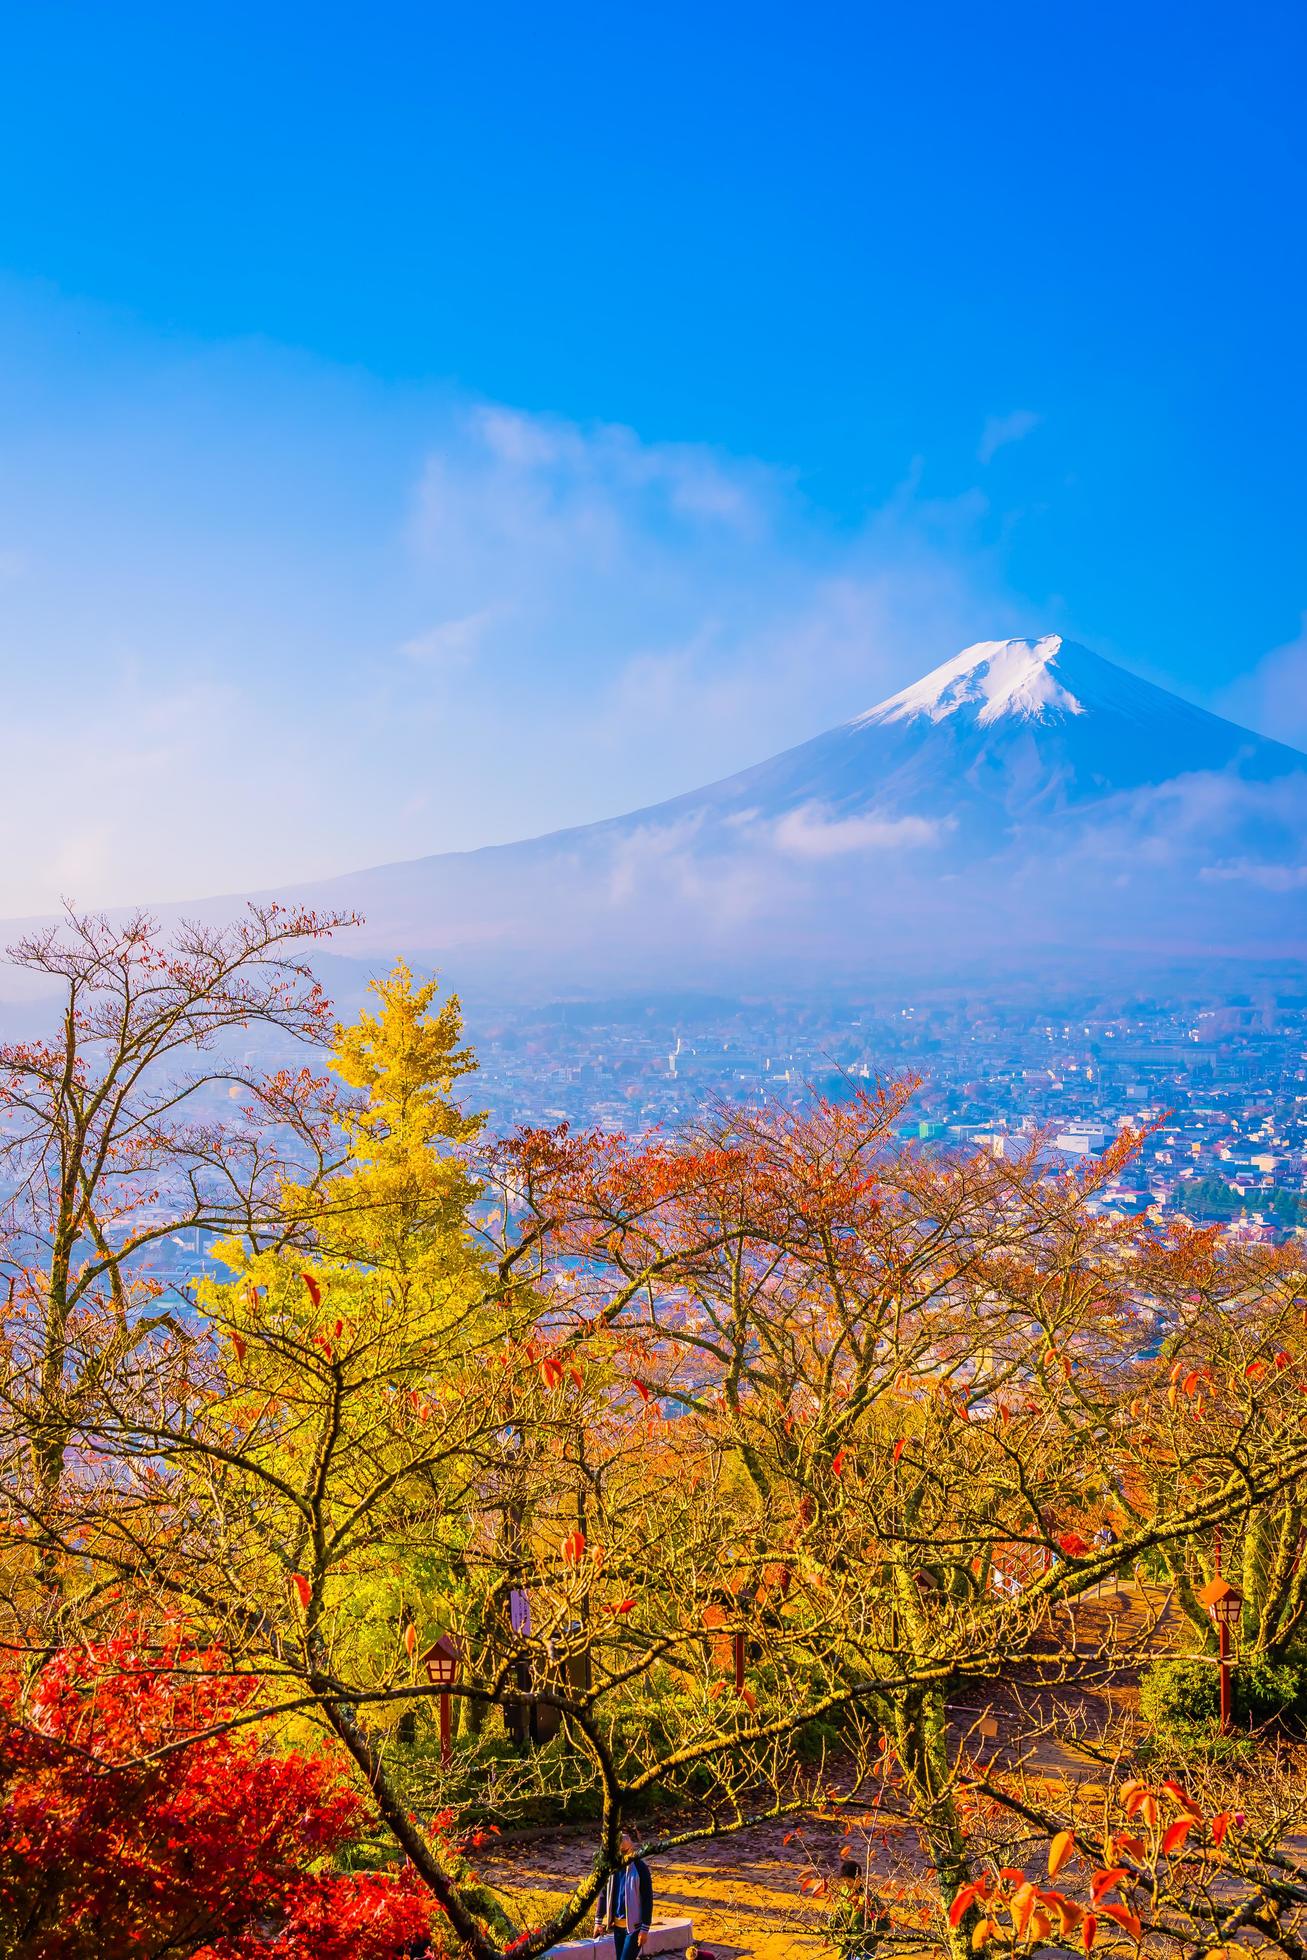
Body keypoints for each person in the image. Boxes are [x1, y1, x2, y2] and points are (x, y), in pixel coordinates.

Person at [595, 1829, 654, 1960]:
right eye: (619, 1852)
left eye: (625, 1851)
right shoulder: (612, 1867)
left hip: (634, 1928)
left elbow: (647, 1899)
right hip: (617, 1927)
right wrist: (598, 1921)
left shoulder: (640, 1868)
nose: (622, 1855)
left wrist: (645, 1929)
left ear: (631, 1849)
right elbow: (603, 1893)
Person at [829, 1859, 890, 1960]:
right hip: (846, 1945)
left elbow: (886, 1922)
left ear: (858, 1879)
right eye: (844, 1880)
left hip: (865, 1947)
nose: (846, 1883)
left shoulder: (869, 1897)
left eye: (849, 1881)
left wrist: (869, 1930)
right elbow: (839, 1915)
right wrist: (830, 1930)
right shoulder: (844, 1893)